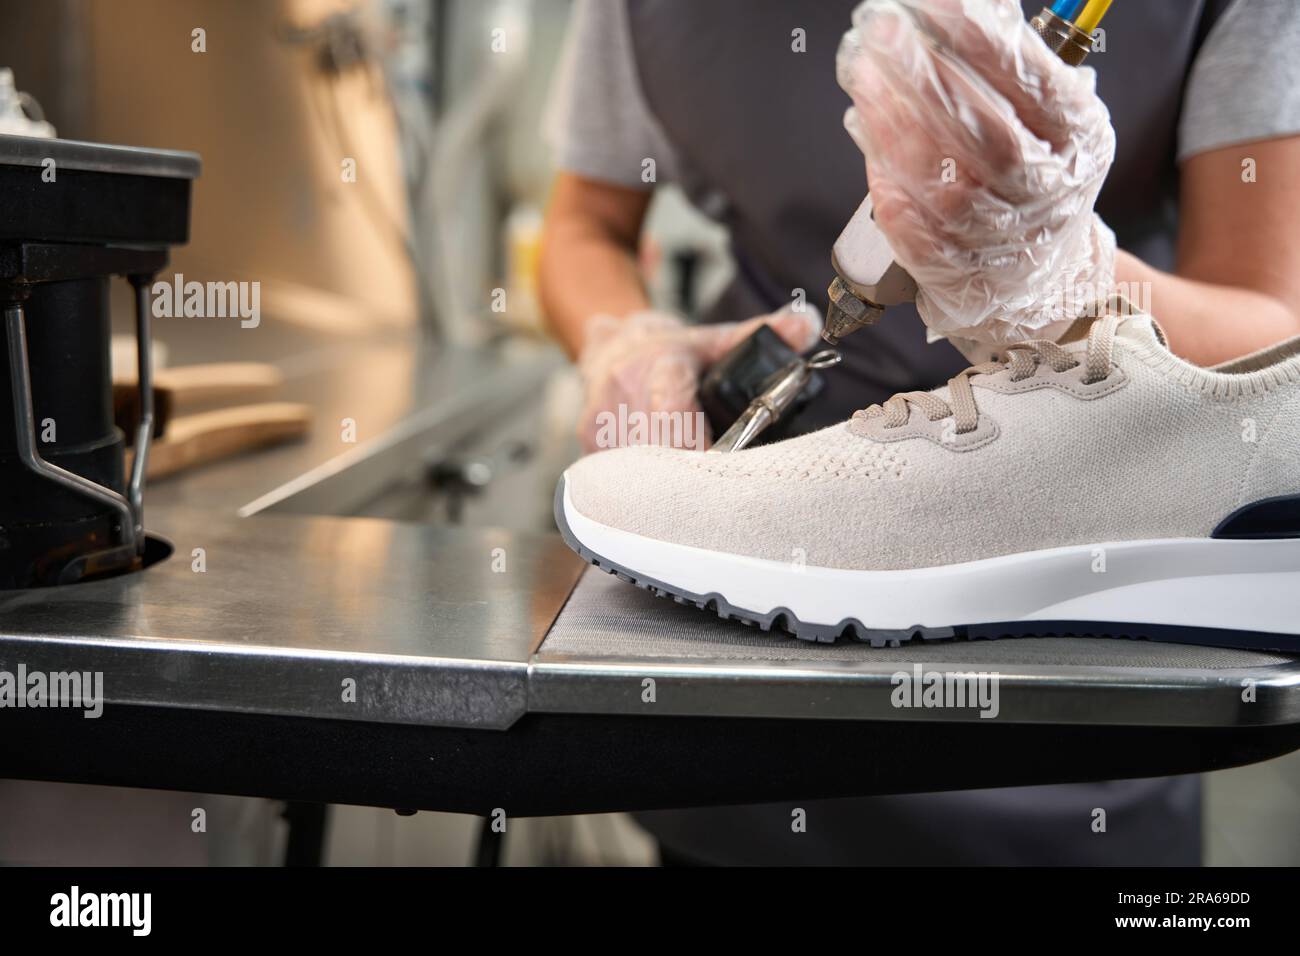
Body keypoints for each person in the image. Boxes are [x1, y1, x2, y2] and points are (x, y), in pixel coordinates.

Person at [538, 0, 1300, 865]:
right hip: (744, 654)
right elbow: (583, 225)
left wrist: (1064, 273)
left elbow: (1277, 356)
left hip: (1080, 610)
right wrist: (621, 335)